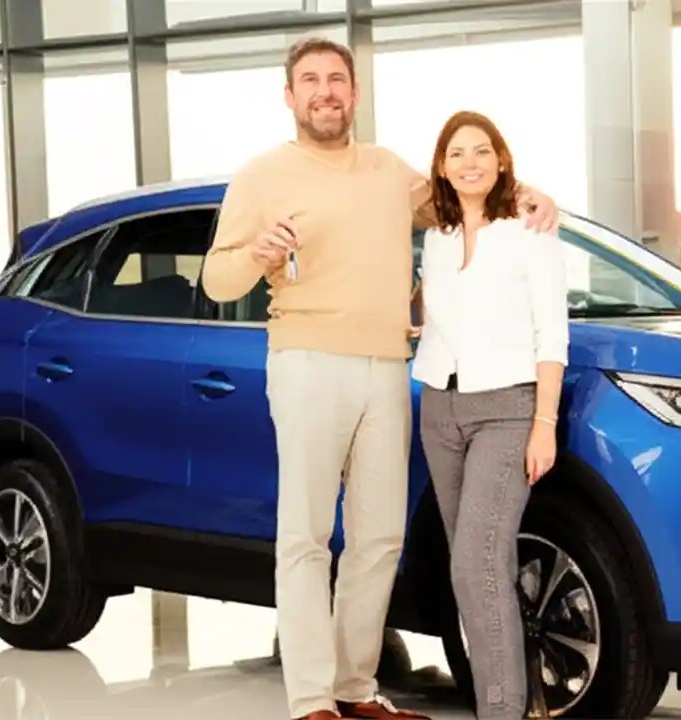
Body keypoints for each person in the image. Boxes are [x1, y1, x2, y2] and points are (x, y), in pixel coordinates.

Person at [199, 37, 559, 720]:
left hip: (390, 368)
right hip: (307, 362)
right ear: (290, 96)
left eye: (337, 79)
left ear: (355, 94)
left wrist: (536, 197)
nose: (325, 91)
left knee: (378, 538)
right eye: (310, 80)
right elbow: (218, 281)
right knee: (306, 538)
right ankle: (312, 701)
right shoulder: (261, 176)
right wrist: (255, 251)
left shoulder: (391, 172)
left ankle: (354, 687)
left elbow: (469, 194)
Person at [411, 111, 569, 719]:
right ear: (442, 167)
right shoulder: (438, 236)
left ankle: (499, 711)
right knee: (476, 569)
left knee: (475, 564)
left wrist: (544, 424)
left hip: (508, 409)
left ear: (502, 160)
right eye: (456, 153)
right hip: (441, 408)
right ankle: (520, 702)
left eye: (482, 151)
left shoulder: (531, 229)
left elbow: (551, 335)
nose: (469, 162)